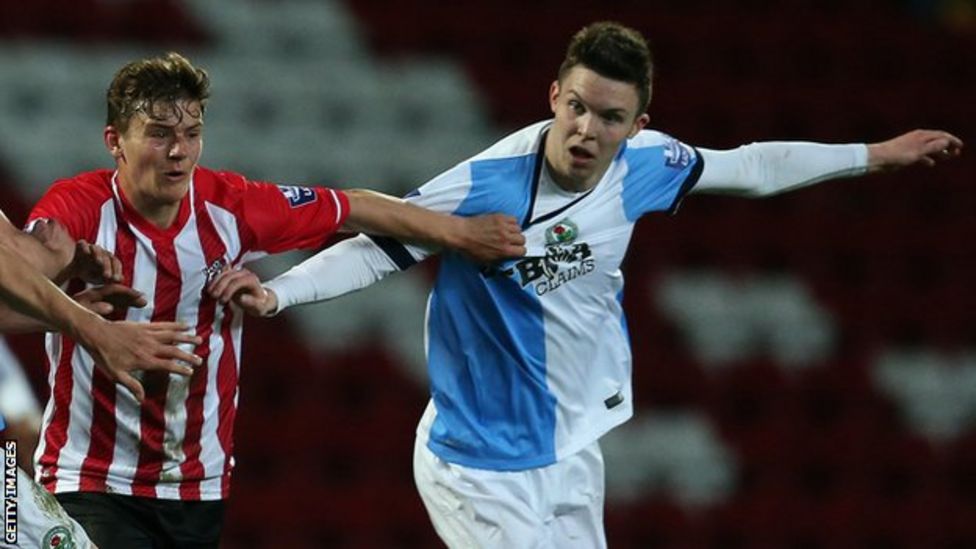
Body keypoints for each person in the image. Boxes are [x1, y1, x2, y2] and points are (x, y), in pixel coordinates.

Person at [209, 21, 964, 548]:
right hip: (480, 458)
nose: (586, 129)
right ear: (552, 96)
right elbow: (382, 247)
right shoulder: (485, 185)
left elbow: (753, 166)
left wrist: (875, 154)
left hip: (573, 440)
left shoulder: (646, 166)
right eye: (575, 106)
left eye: (609, 116)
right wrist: (280, 293)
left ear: (637, 124)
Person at [24, 51, 524, 549]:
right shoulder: (79, 208)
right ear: (115, 142)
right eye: (159, 133)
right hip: (88, 479)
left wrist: (462, 233)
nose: (179, 151)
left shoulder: (231, 208)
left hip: (198, 487)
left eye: (191, 134)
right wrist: (67, 290)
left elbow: (354, 207)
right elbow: (23, 271)